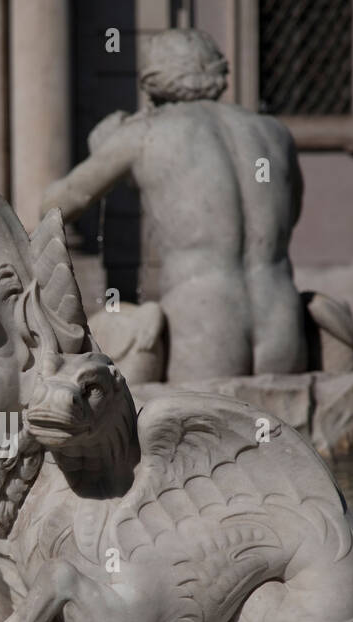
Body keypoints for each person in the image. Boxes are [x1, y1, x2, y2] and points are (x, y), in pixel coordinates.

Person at [42, 28, 306, 380]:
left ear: (153, 81)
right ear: (216, 73)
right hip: (283, 327)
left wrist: (105, 147)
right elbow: (293, 213)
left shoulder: (143, 133)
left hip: (205, 327)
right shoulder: (273, 132)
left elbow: (55, 205)